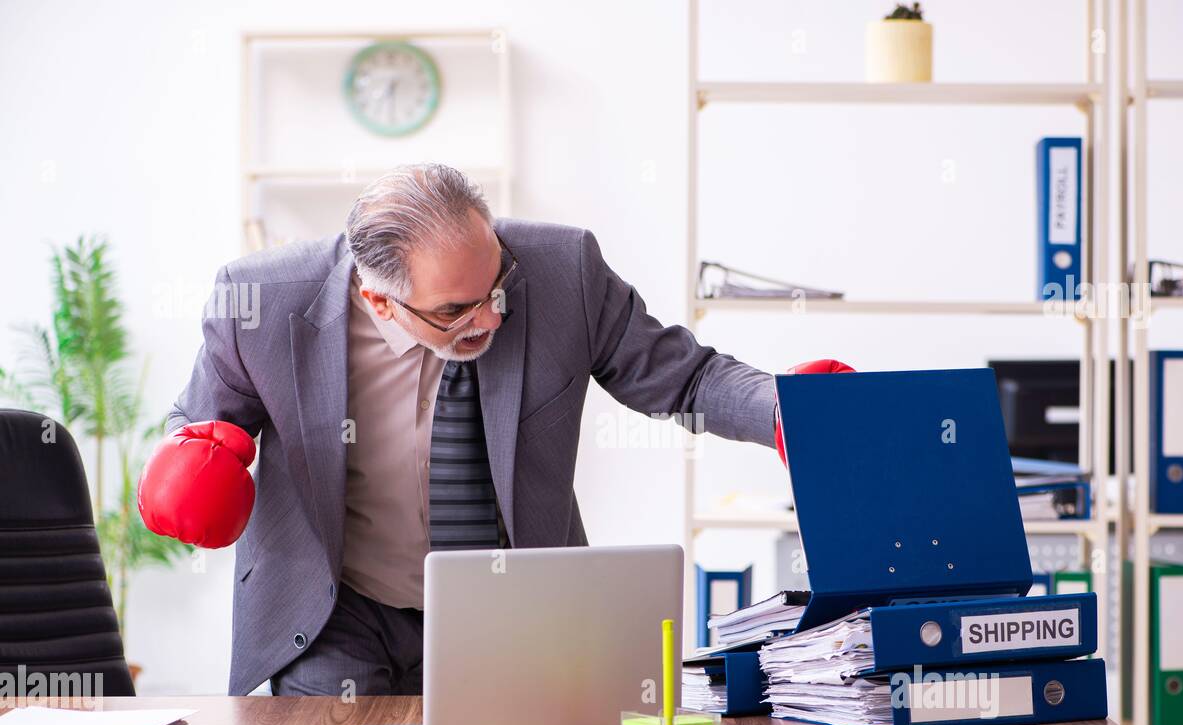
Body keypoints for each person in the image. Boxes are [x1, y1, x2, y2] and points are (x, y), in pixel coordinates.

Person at [139, 162, 846, 696]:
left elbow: (682, 377)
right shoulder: (259, 302)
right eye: (455, 309)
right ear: (376, 298)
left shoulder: (563, 269)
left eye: (495, 288)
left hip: (510, 602)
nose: (490, 318)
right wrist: (190, 464)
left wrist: (788, 411)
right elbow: (198, 426)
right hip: (336, 612)